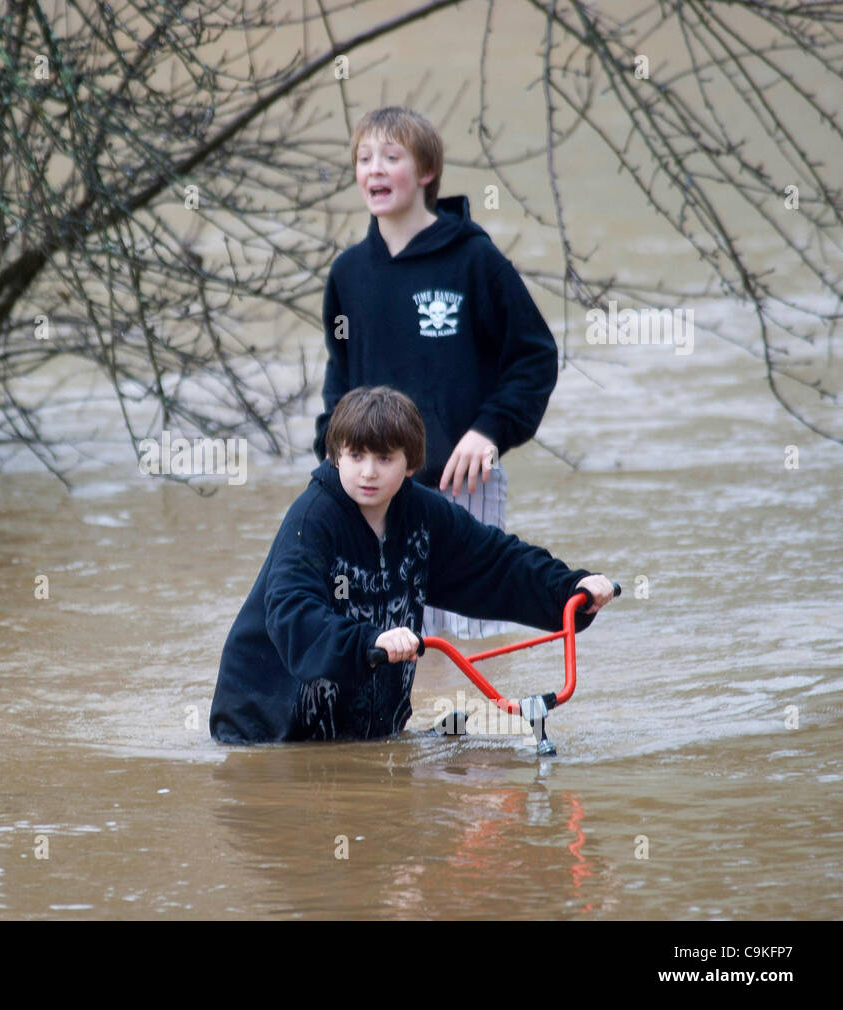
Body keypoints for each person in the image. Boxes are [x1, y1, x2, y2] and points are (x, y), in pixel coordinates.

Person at [210, 386, 613, 744]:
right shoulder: (312, 518)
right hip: (267, 736)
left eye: (384, 458)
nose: (368, 472)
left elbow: (494, 562)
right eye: (356, 456)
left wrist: (570, 588)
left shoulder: (421, 513)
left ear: (411, 464)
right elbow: (291, 612)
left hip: (364, 737)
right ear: (335, 456)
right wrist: (367, 641)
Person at [312, 107, 559, 638]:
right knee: (397, 648)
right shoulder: (348, 274)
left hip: (461, 483)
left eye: (391, 157)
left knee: (466, 644)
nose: (374, 169)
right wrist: (332, 460)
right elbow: (340, 382)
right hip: (372, 490)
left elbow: (534, 357)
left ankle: (475, 724)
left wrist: (488, 431)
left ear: (425, 171)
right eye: (364, 158)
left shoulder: (475, 260)